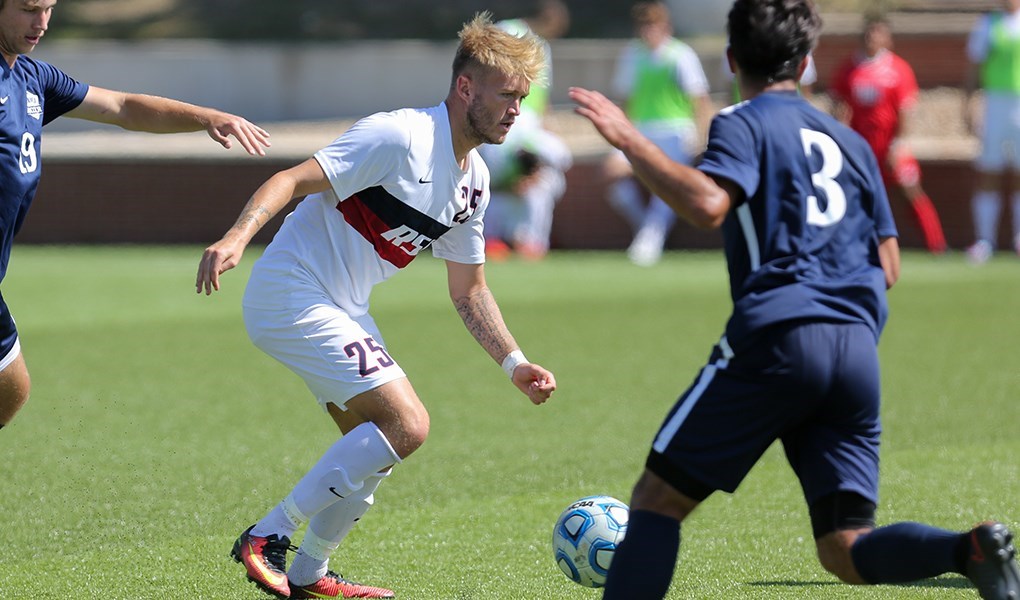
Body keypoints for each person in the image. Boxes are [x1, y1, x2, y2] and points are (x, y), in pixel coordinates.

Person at [569, 0, 1019, 598]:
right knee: (844, 547)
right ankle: (969, 550)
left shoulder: (742, 121)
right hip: (855, 351)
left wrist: (628, 138)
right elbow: (888, 265)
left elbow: (708, 204)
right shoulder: (850, 143)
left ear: (732, 60)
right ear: (807, 61)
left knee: (656, 500)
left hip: (778, 337)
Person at [196, 12, 556, 600]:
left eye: (523, 98)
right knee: (408, 423)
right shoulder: (400, 136)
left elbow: (469, 289)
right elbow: (290, 179)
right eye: (506, 96)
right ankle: (268, 535)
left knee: (376, 448)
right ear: (466, 87)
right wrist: (237, 237)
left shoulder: (475, 182)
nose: (516, 110)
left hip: (344, 307)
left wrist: (513, 362)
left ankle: (310, 572)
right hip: (291, 291)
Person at [0, 0, 270, 431]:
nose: (42, 22)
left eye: (49, 8)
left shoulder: (32, 78)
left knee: (10, 388)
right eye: (29, 8)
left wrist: (207, 118)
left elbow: (122, 106)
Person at [603, 0, 713, 266]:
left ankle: (649, 241)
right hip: (641, 130)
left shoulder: (681, 55)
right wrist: (621, 135)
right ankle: (645, 227)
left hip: (676, 130)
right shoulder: (633, 54)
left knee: (667, 182)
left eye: (653, 25)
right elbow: (626, 101)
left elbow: (700, 100)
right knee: (611, 175)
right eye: (644, 26)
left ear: (666, 27)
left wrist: (703, 137)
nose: (648, 31)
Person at [830, 15, 947, 254]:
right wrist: (842, 137)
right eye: (869, 32)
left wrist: (898, 144)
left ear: (888, 39)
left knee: (910, 188)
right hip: (861, 144)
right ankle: (851, 245)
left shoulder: (898, 69)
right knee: (855, 193)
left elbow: (906, 110)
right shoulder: (850, 68)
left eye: (878, 33)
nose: (872, 37)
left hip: (891, 143)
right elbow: (839, 105)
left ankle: (937, 244)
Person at [480, 0, 573, 261]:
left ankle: (530, 242)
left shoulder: (543, 47)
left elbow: (542, 98)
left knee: (552, 172)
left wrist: (547, 125)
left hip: (530, 128)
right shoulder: (508, 31)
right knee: (499, 182)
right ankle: (494, 239)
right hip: (507, 121)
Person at [964, 0, 1020, 263]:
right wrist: (968, 103)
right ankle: (985, 240)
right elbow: (973, 67)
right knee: (989, 171)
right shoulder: (987, 23)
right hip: (994, 104)